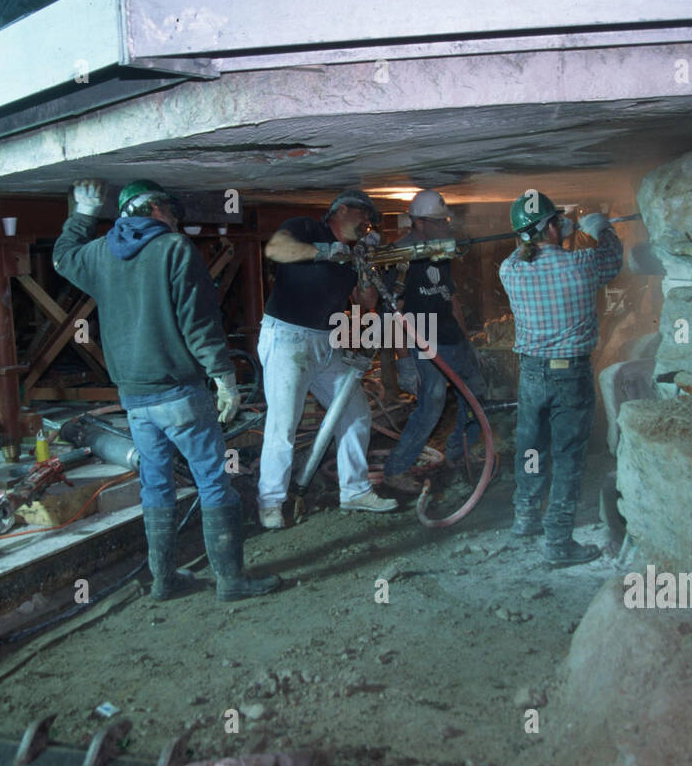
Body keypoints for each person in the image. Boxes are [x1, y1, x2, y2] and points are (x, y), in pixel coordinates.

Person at [52, 178, 279, 602]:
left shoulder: (100, 252)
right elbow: (198, 323)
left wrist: (83, 212)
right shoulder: (175, 250)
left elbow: (62, 259)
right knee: (213, 482)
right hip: (179, 394)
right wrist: (224, 377)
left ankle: (164, 581)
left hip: (134, 399)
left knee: (155, 486)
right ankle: (231, 581)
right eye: (173, 212)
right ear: (156, 209)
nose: (176, 220)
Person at [257, 189, 401, 528]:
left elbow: (366, 300)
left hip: (324, 343)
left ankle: (354, 491)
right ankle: (271, 503)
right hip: (287, 337)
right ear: (343, 209)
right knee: (283, 425)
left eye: (369, 223)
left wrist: (368, 265)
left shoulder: (351, 255)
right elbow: (276, 250)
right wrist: (325, 251)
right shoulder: (306, 228)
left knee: (354, 411)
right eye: (364, 216)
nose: (366, 224)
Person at [498, 190, 623, 567]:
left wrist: (550, 231)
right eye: (557, 221)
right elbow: (613, 259)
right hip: (571, 373)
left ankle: (526, 515)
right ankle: (558, 541)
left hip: (532, 372)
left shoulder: (509, 270)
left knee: (532, 445)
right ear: (552, 226)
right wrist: (597, 228)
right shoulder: (582, 264)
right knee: (568, 456)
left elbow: (522, 251)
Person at [380, 190, 489, 494]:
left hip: (451, 337)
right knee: (432, 404)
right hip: (423, 340)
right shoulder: (398, 257)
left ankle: (458, 452)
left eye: (446, 221)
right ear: (420, 222)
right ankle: (396, 469)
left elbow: (450, 296)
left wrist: (467, 342)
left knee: (478, 394)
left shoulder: (439, 249)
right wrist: (404, 361)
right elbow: (393, 312)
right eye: (439, 222)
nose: (445, 227)